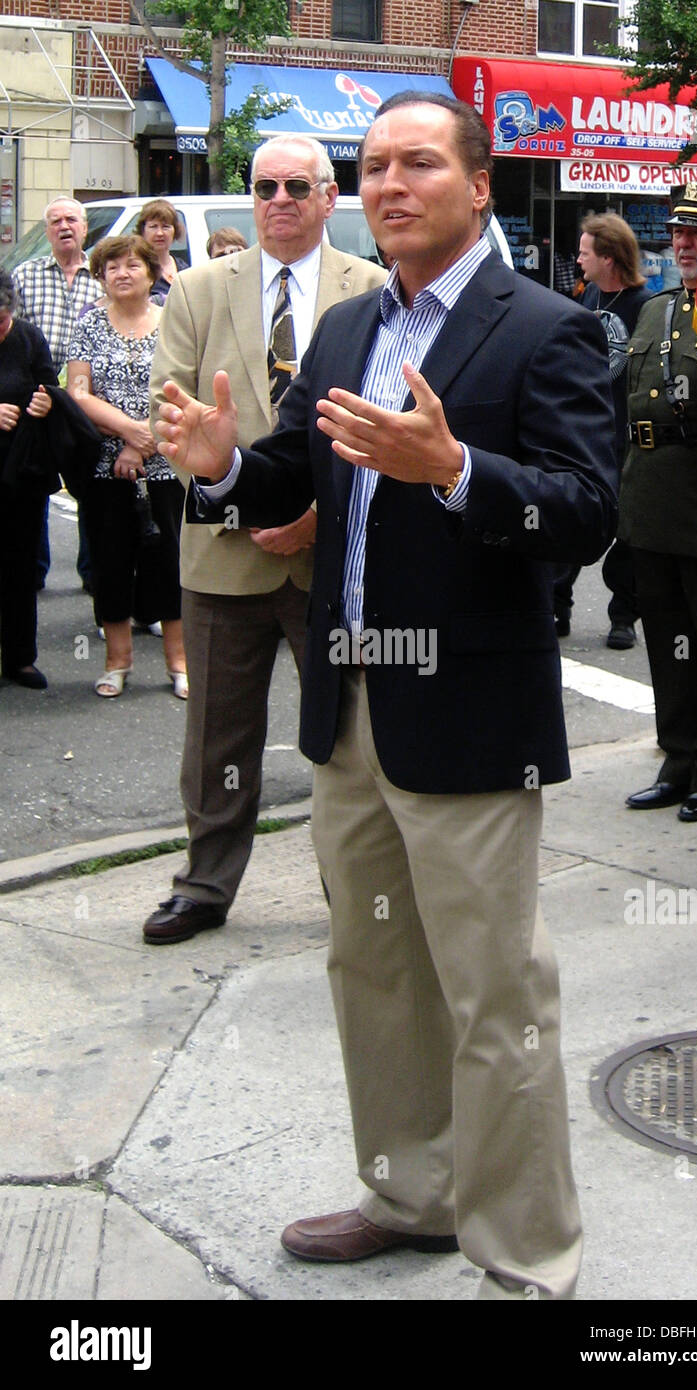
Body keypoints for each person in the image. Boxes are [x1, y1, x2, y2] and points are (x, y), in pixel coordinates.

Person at [155, 92, 617, 1298]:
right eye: (373, 166)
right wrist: (221, 469)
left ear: (478, 186)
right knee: (372, 969)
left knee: (494, 995)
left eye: (419, 162)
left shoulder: (548, 328)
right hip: (350, 703)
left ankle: (526, 1254)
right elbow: (290, 463)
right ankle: (411, 1191)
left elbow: (584, 507)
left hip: (466, 714)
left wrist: (458, 467)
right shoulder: (353, 329)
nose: (390, 184)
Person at [141, 134, 385, 945]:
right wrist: (238, 501)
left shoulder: (374, 291)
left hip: (334, 556)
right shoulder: (199, 289)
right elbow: (168, 415)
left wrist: (316, 515)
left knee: (347, 737)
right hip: (222, 555)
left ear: (327, 197)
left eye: (296, 186)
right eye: (264, 186)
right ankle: (204, 884)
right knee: (217, 736)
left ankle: (350, 888)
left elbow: (380, 426)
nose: (278, 199)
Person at [620, 182, 697, 823]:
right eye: (678, 232)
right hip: (651, 500)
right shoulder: (654, 310)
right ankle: (676, 755)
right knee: (668, 637)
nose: (685, 242)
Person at [66, 235, 187, 698]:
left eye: (131, 264)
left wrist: (145, 442)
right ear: (101, 276)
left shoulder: (173, 320)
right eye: (110, 266)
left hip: (167, 462)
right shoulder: (89, 325)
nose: (121, 273)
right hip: (103, 467)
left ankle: (179, 662)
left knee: (170, 561)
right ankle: (117, 662)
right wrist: (128, 435)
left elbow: (183, 386)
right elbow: (78, 393)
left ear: (150, 272)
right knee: (110, 560)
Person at [553, 213, 652, 646]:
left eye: (585, 252)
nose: (578, 260)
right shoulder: (588, 296)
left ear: (608, 258)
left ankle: (624, 616)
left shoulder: (647, 306)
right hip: (587, 435)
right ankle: (558, 607)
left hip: (629, 441)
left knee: (628, 531)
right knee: (572, 521)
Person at [12, 196, 100, 593]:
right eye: (55, 221)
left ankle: (92, 572)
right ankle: (32, 572)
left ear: (84, 227)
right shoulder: (25, 275)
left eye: (71, 220)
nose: (64, 227)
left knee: (89, 482)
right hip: (40, 397)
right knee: (37, 481)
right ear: (47, 230)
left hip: (87, 398)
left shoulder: (102, 271)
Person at [0, 269, 57, 689]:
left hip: (22, 470)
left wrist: (43, 400)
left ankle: (20, 657)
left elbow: (50, 385)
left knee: (20, 565)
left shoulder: (28, 336)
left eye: (2, 320)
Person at [135, 199, 189, 302]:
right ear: (143, 230)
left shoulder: (184, 269)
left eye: (165, 227)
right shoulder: (137, 269)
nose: (160, 233)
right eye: (153, 227)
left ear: (175, 231)